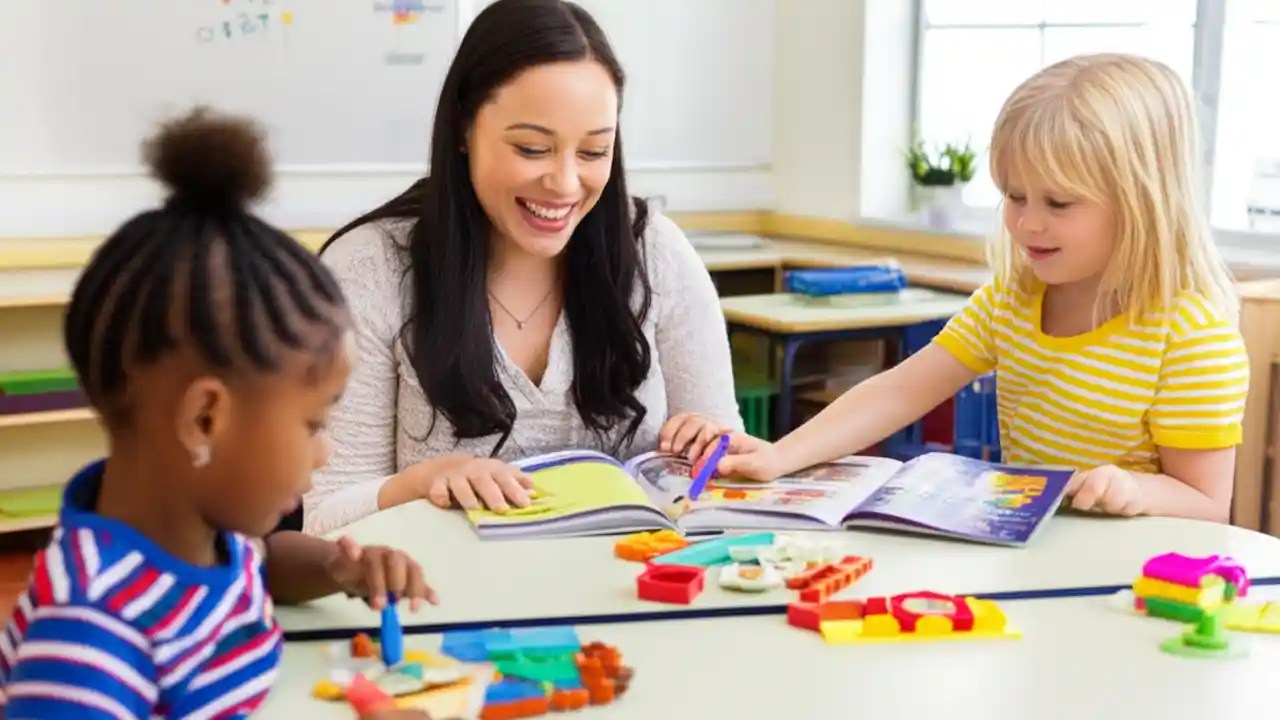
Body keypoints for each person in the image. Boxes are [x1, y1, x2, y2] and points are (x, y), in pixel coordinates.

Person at [0, 109, 436, 719]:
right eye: (312, 425)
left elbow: (259, 565)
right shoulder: (89, 632)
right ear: (205, 420)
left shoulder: (199, 534)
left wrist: (341, 568)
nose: (325, 451)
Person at [714, 53, 1248, 523]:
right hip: (1035, 553)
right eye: (1015, 197)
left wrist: (1133, 490)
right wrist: (782, 456)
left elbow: (1205, 501)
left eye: (1058, 203)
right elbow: (901, 390)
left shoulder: (1190, 336)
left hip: (1139, 582)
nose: (1027, 223)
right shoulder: (1011, 300)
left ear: (1142, 202)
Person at [302, 0, 742, 536]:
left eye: (593, 151)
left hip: (634, 593)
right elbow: (324, 517)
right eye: (532, 148)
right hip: (446, 602)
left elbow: (725, 472)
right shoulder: (369, 269)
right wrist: (423, 484)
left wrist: (708, 446)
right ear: (465, 129)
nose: (564, 183)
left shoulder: (657, 253)